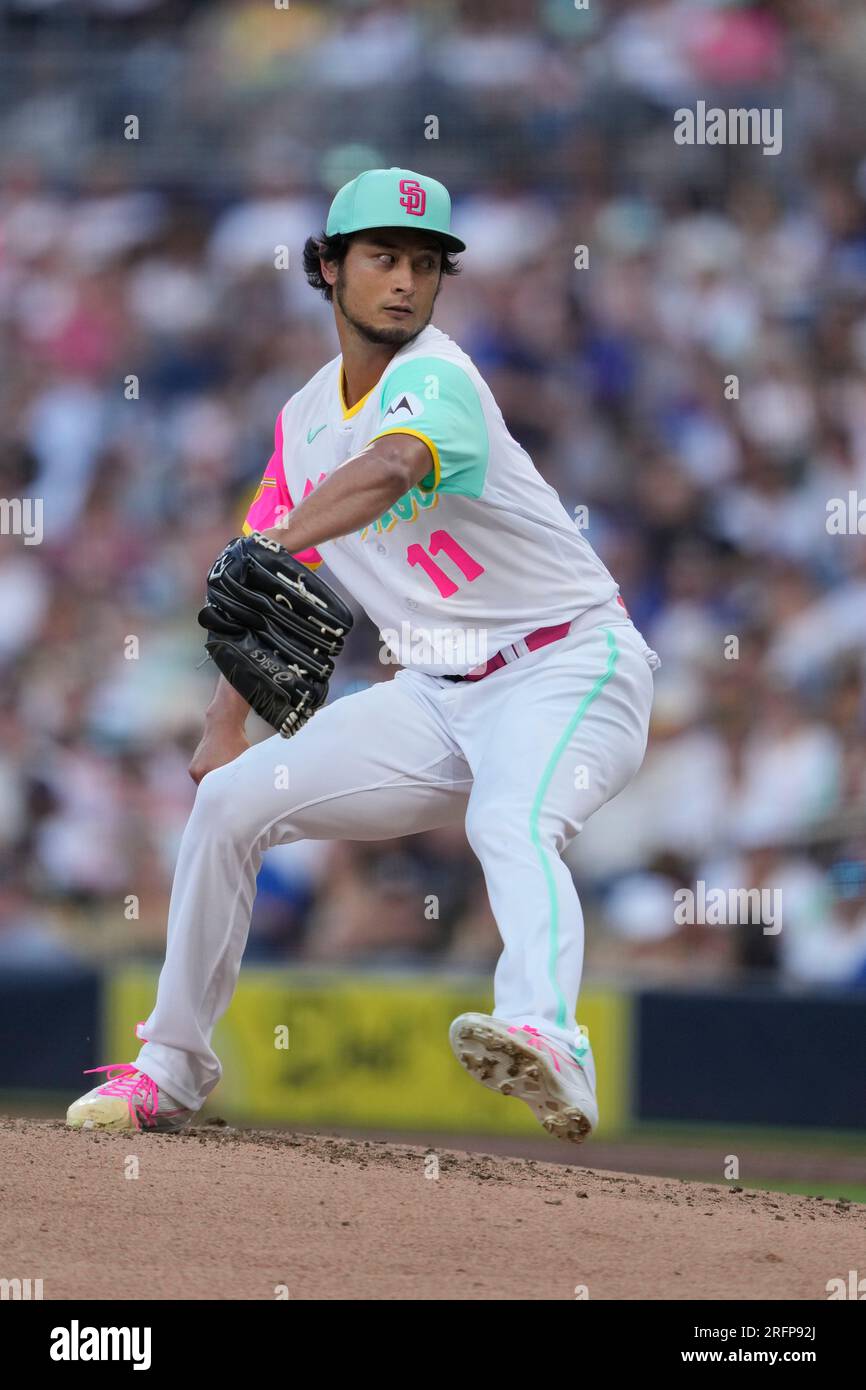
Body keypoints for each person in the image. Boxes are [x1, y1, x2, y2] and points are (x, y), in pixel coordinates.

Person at [67, 168, 660, 1143]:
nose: (404, 281)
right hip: (435, 695)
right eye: (381, 257)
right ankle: (167, 1070)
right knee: (226, 805)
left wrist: (273, 541)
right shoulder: (298, 426)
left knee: (512, 821)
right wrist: (226, 724)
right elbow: (255, 594)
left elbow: (387, 469)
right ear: (325, 267)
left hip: (567, 668)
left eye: (425, 264)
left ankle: (548, 1035)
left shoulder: (438, 377)